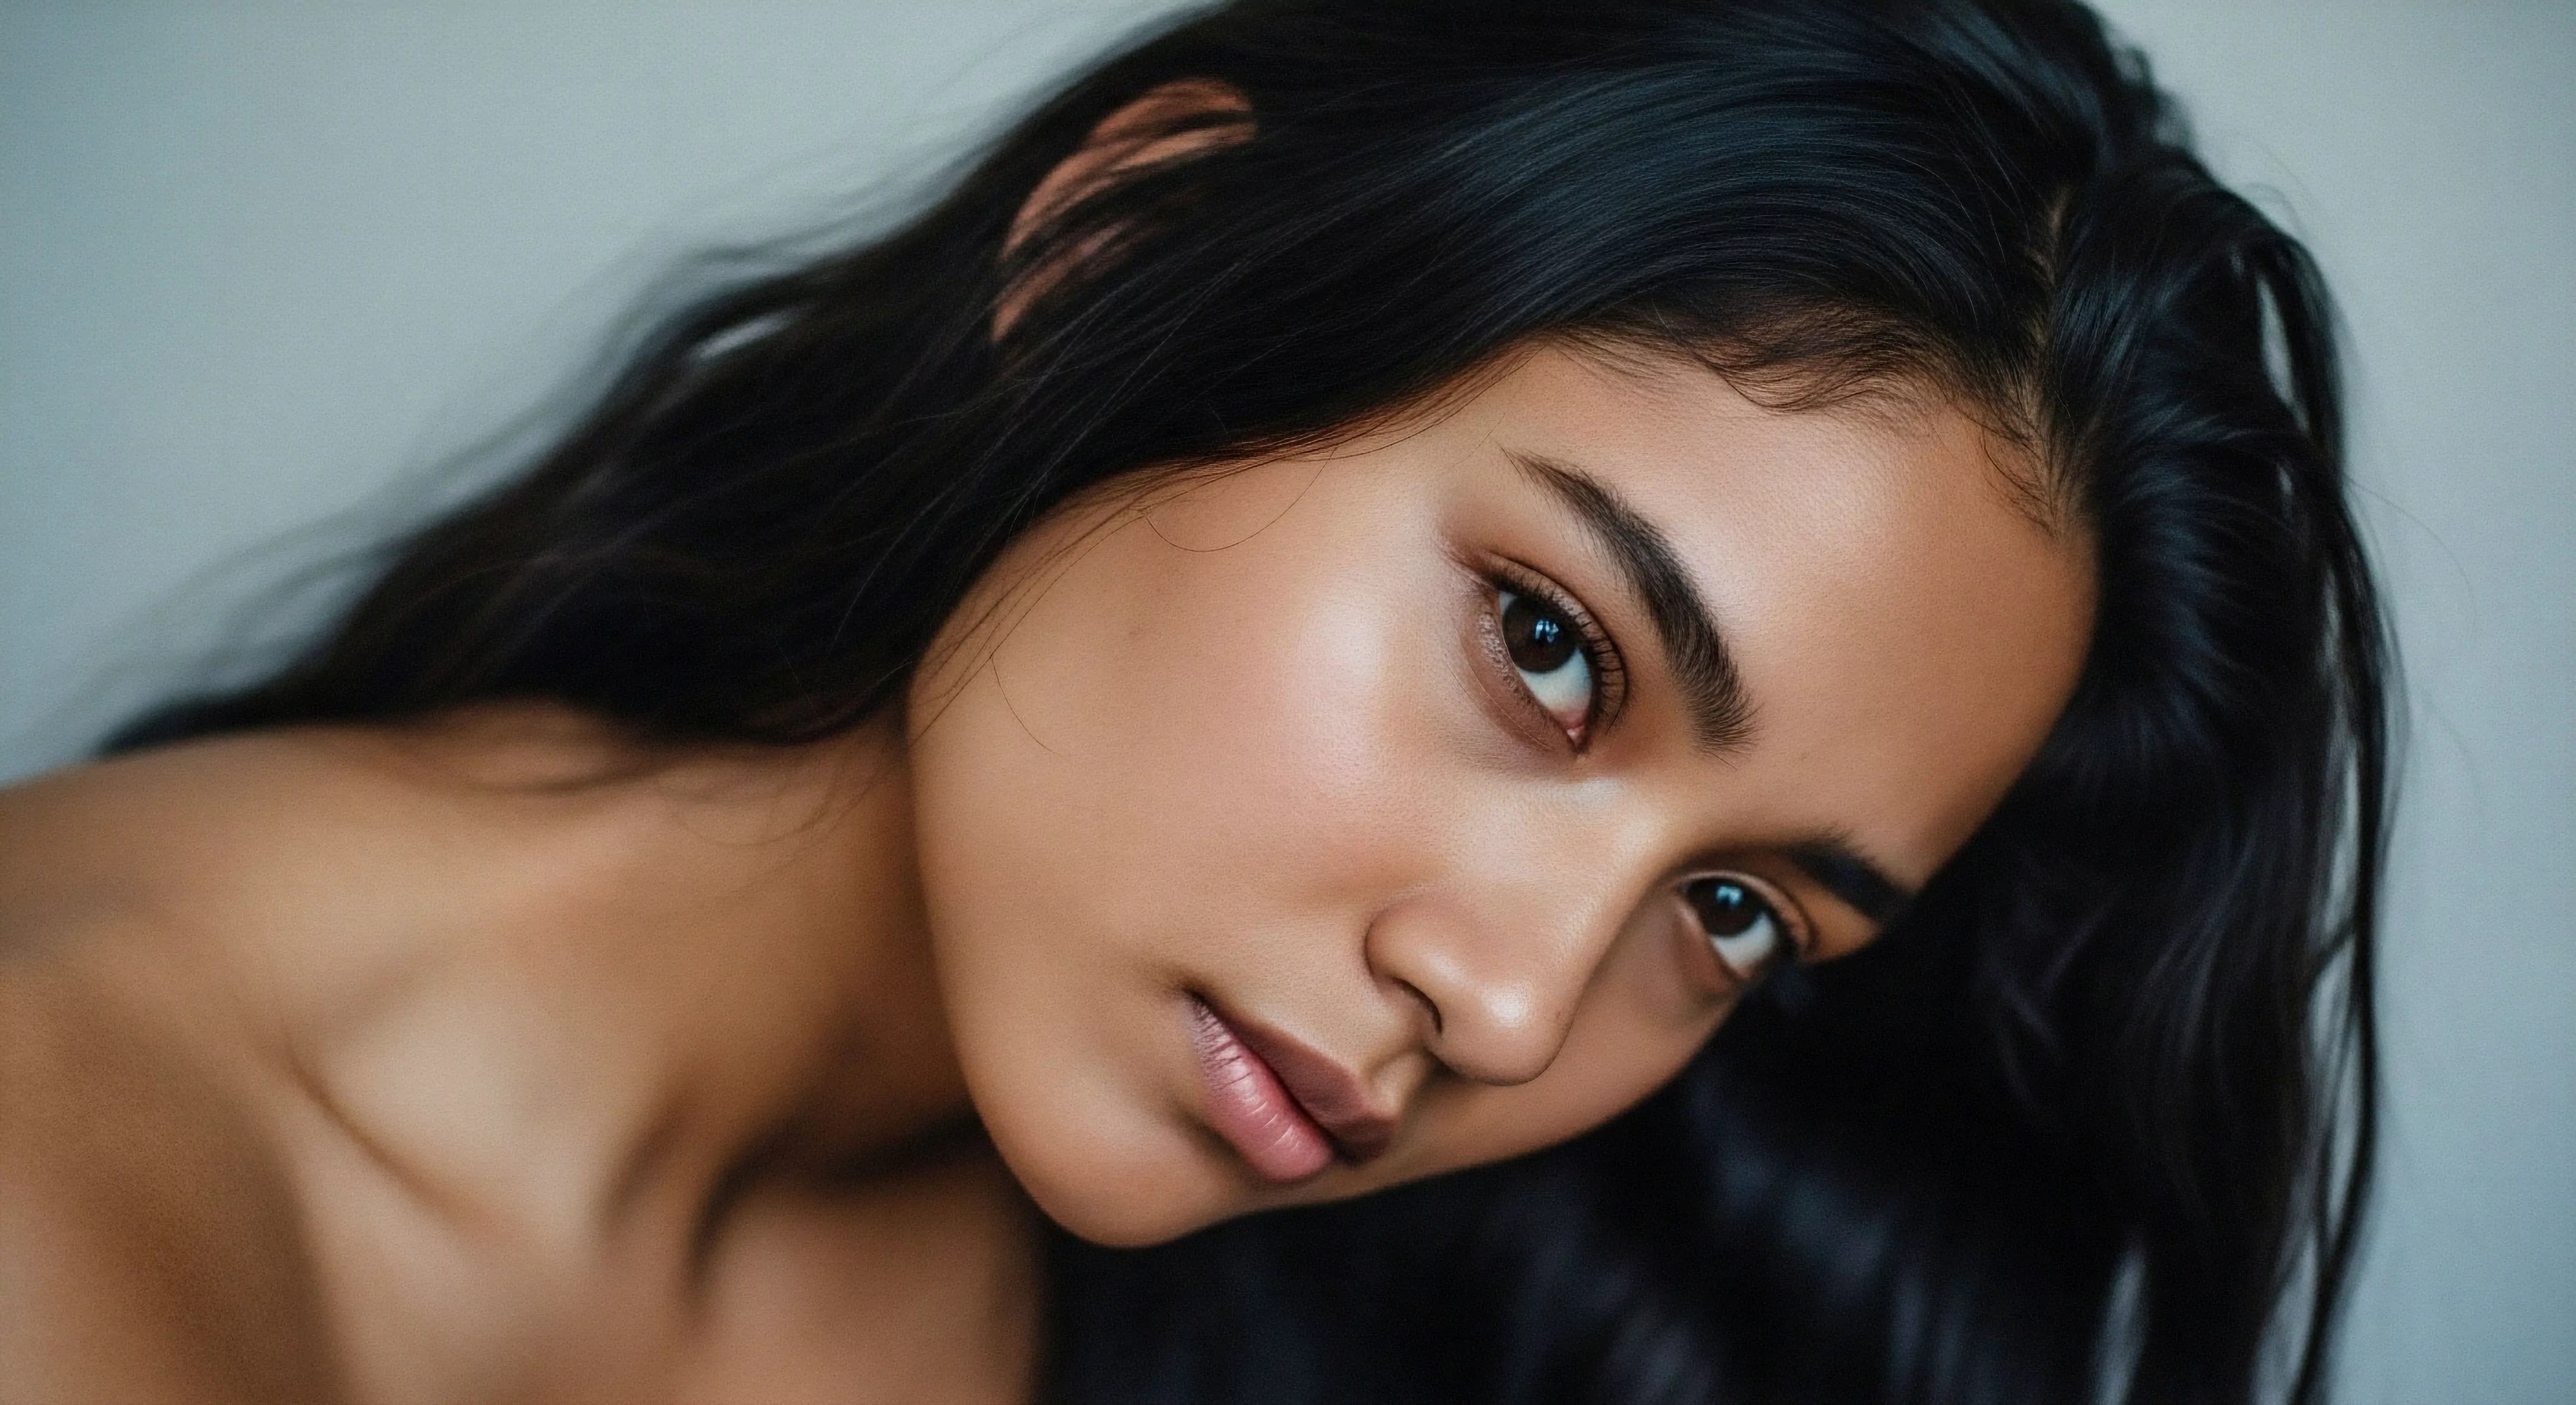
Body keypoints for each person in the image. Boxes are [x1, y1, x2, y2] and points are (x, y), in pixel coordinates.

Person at [0, 0, 2389, 1401]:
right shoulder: (64, 1198)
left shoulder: (1230, 1308)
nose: (1515, 997)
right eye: (1552, 647)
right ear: (1131, 244)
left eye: (1744, 914)